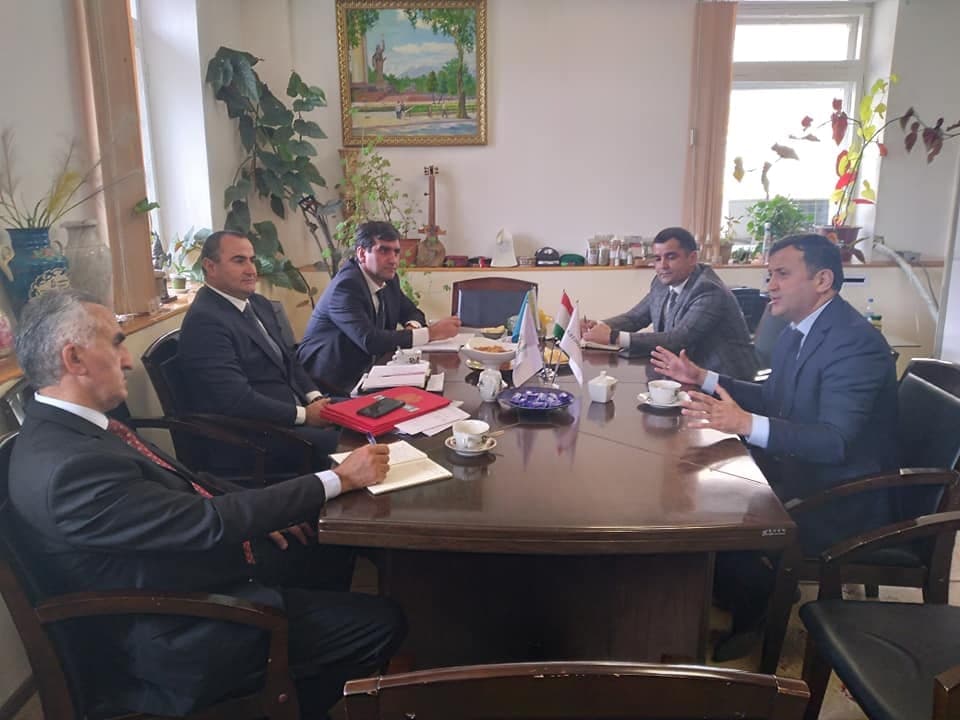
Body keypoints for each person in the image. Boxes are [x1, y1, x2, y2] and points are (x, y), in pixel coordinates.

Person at [8, 290, 405, 719]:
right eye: (117, 343)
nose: (128, 360)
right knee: (384, 621)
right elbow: (204, 521)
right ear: (74, 359)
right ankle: (282, 704)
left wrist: (263, 511)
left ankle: (304, 657)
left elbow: (182, 487)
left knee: (334, 548)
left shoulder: (71, 428)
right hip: (181, 627)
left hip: (189, 570)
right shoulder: (69, 468)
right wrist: (337, 479)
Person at [651, 233, 899, 658]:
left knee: (718, 508)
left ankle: (757, 608)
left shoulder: (854, 343)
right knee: (695, 480)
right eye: (770, 275)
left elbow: (835, 442)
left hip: (844, 495)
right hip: (802, 469)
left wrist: (745, 424)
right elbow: (773, 399)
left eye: (782, 274)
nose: (770, 285)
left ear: (822, 280)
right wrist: (703, 378)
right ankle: (733, 584)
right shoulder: (796, 330)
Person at [178, 230, 339, 477]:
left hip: (292, 415)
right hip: (255, 437)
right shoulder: (205, 322)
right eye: (239, 261)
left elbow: (290, 360)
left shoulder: (258, 304)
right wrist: (305, 416)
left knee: (372, 417)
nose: (251, 270)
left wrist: (315, 398)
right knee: (354, 443)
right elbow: (237, 400)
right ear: (210, 267)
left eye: (252, 260)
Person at [297, 221, 461, 395]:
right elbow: (370, 340)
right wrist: (431, 333)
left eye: (396, 252)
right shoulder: (345, 287)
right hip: (329, 382)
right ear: (362, 253)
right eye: (383, 251)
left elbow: (412, 312)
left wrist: (412, 327)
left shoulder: (388, 279)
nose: (393, 260)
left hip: (369, 372)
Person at [582, 227, 758, 379]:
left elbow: (678, 339)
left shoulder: (708, 290)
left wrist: (613, 336)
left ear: (692, 258)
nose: (662, 266)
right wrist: (597, 326)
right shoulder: (661, 283)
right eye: (658, 258)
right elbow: (635, 318)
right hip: (686, 371)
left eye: (671, 257)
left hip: (724, 378)